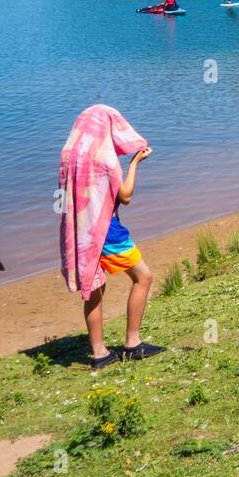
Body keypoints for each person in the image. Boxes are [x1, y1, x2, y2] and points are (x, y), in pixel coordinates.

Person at [58, 105, 165, 368]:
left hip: (81, 232)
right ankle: (132, 343)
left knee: (94, 288)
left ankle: (99, 353)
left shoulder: (70, 155)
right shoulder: (104, 158)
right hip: (107, 230)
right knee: (144, 277)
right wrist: (135, 164)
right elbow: (125, 196)